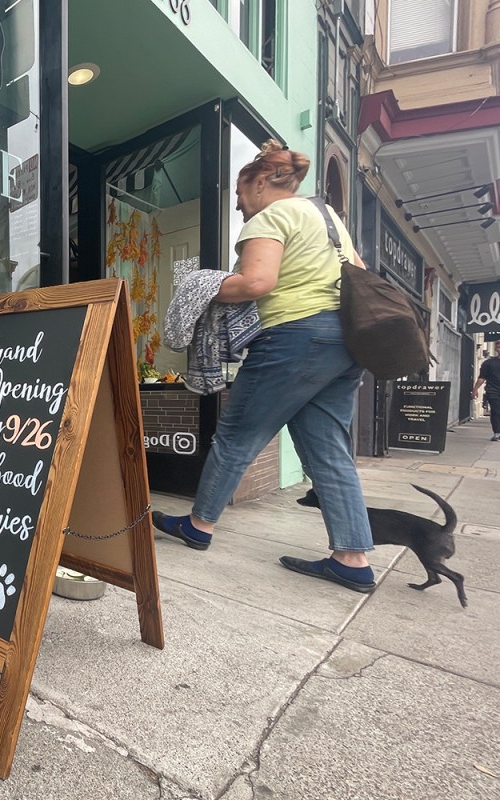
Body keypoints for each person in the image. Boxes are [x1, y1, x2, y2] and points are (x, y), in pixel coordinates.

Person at [152, 141, 377, 594]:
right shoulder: (329, 219)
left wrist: (204, 284)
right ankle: (352, 558)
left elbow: (257, 281)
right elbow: (359, 271)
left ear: (258, 183)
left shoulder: (270, 217)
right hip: (345, 342)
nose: (239, 208)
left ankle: (199, 525)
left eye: (239, 197)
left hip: (295, 337)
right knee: (329, 448)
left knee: (236, 435)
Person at [471, 345, 500, 441]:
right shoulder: (488, 363)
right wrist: (475, 390)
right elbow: (481, 378)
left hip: (493, 391)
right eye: (499, 347)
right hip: (493, 391)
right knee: (496, 411)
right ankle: (497, 433)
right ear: (496, 349)